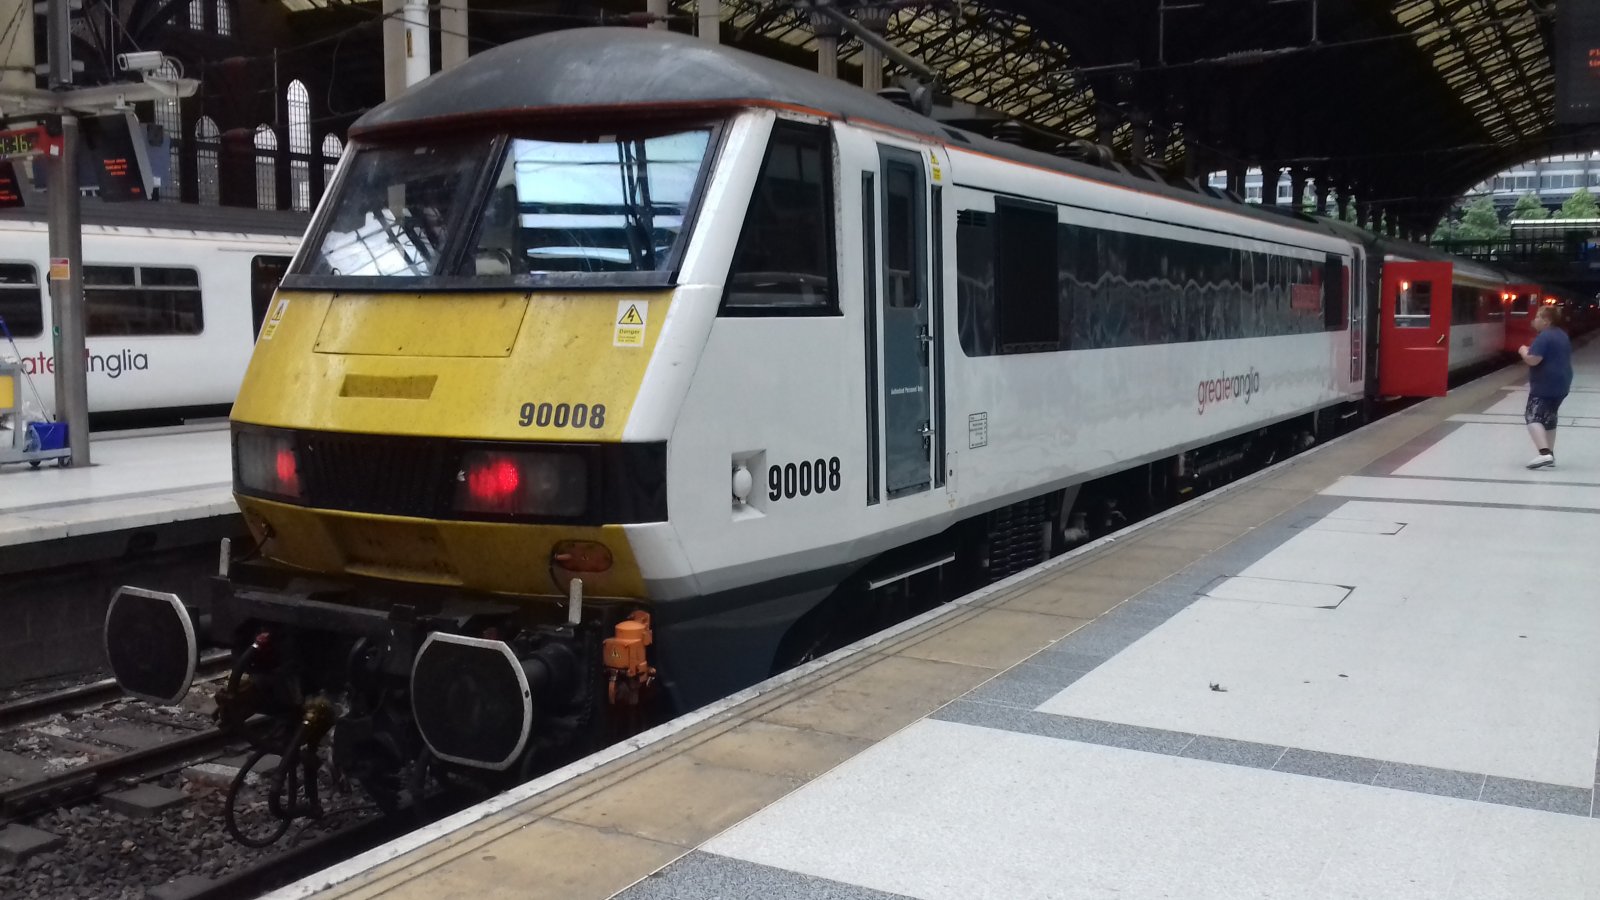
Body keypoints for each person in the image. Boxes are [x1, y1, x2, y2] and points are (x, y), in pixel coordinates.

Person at [1518, 305, 1573, 469]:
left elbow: (1533, 359)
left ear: (1546, 321)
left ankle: (1544, 453)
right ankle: (1551, 455)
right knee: (1549, 419)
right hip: (1562, 383)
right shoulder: (1562, 335)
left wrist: (1522, 351)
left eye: (1537, 317)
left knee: (1532, 417)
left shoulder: (1544, 336)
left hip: (1545, 383)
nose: (1534, 320)